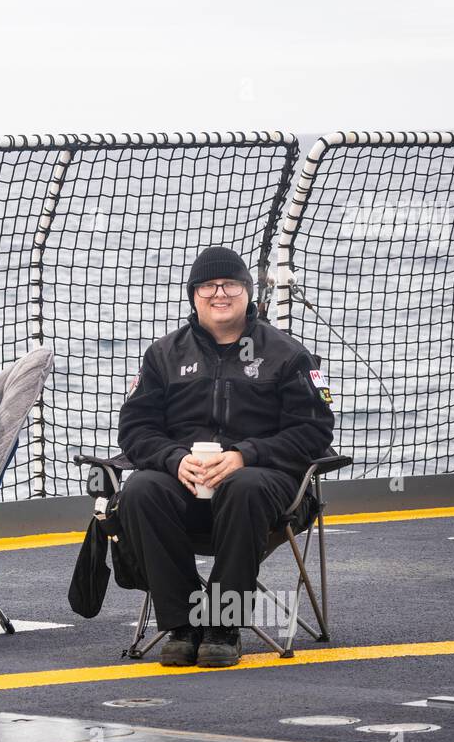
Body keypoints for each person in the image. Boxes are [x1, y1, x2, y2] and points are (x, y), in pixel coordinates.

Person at [115, 247, 334, 667]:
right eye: (208, 286)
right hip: (184, 485)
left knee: (243, 486)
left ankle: (221, 624)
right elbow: (135, 430)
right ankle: (182, 625)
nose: (220, 294)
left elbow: (315, 430)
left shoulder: (288, 354)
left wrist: (245, 454)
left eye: (231, 284)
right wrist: (173, 459)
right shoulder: (163, 356)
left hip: (265, 487)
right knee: (141, 489)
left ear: (248, 293)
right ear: (193, 295)